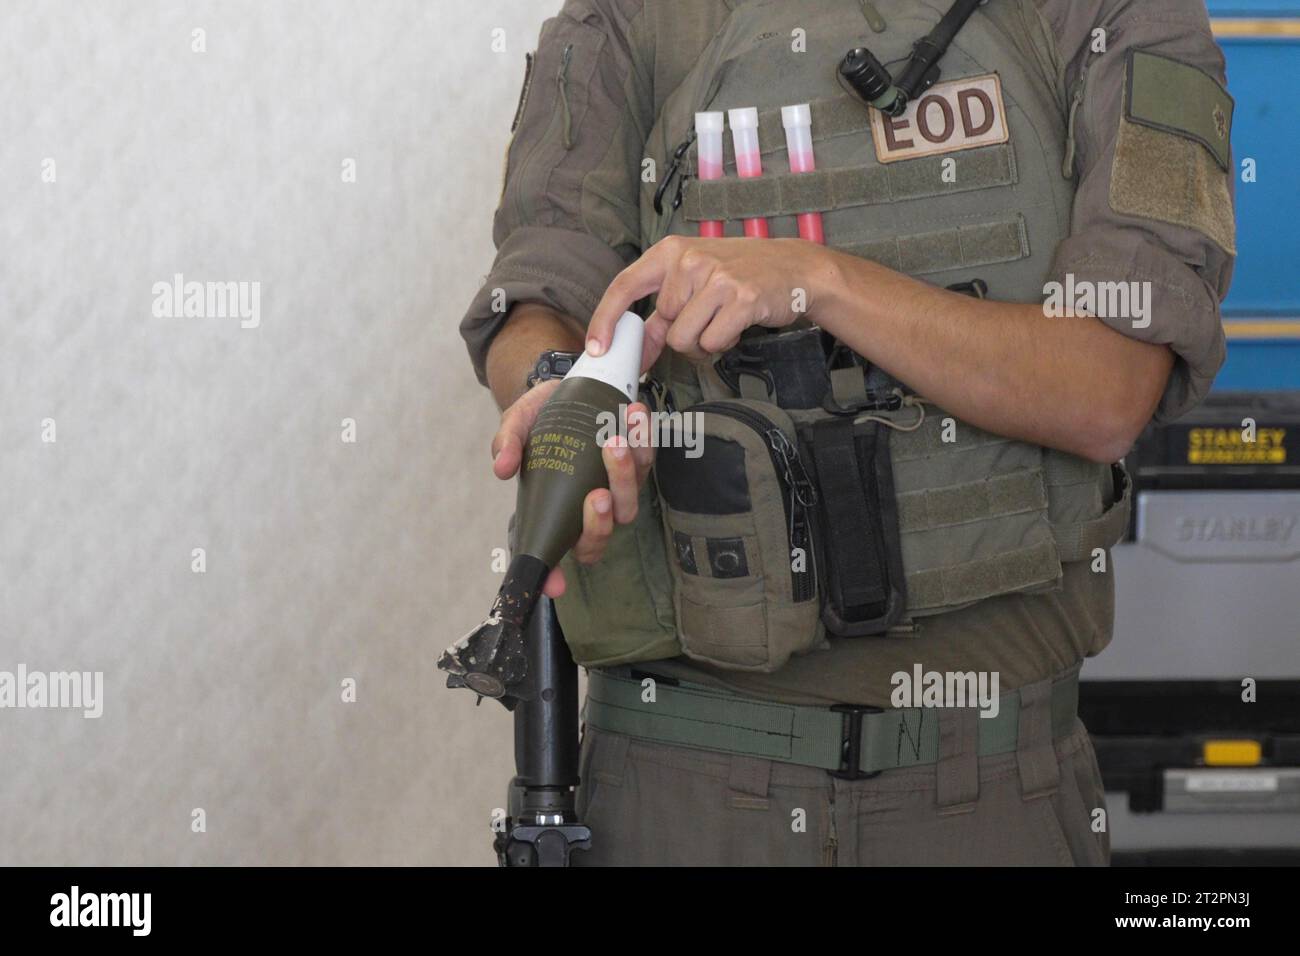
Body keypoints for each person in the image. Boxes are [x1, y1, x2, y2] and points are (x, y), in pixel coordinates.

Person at [460, 0, 1234, 865]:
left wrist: (817, 280)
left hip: (988, 790)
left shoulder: (1114, 13)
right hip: (680, 781)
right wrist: (565, 396)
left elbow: (1109, 390)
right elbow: (536, 298)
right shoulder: (634, 17)